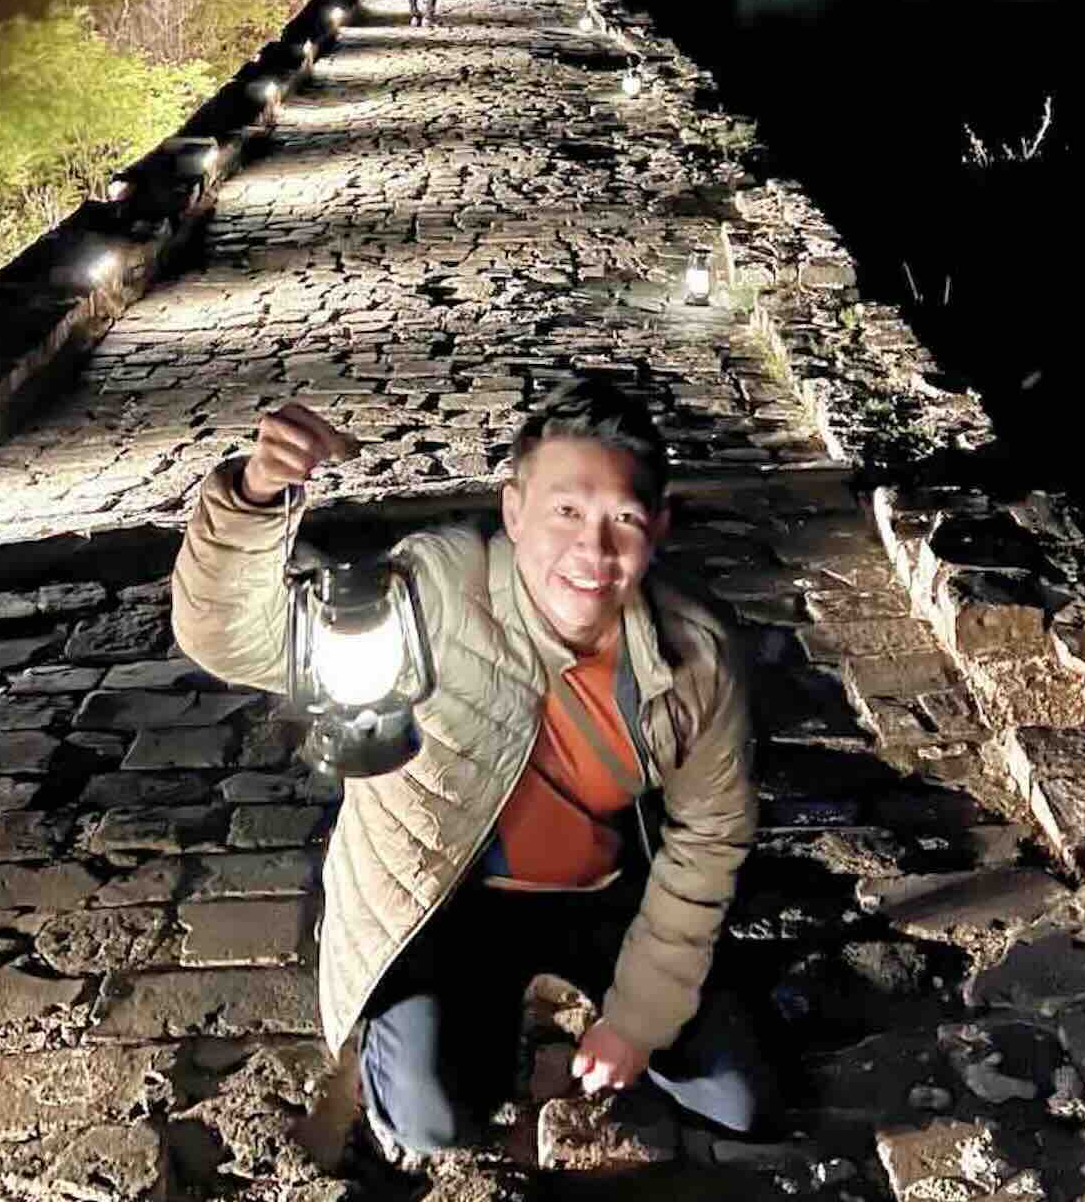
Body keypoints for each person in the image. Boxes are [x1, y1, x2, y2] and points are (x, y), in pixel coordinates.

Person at [171, 378, 771, 1159]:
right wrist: (253, 499)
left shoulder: (695, 657)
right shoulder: (433, 593)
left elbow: (708, 837)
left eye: (622, 519)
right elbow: (228, 639)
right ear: (513, 511)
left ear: (656, 527)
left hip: (602, 892)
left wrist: (635, 1021)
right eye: (565, 511)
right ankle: (408, 1034)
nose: (594, 551)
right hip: (444, 900)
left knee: (739, 1099)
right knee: (434, 1121)